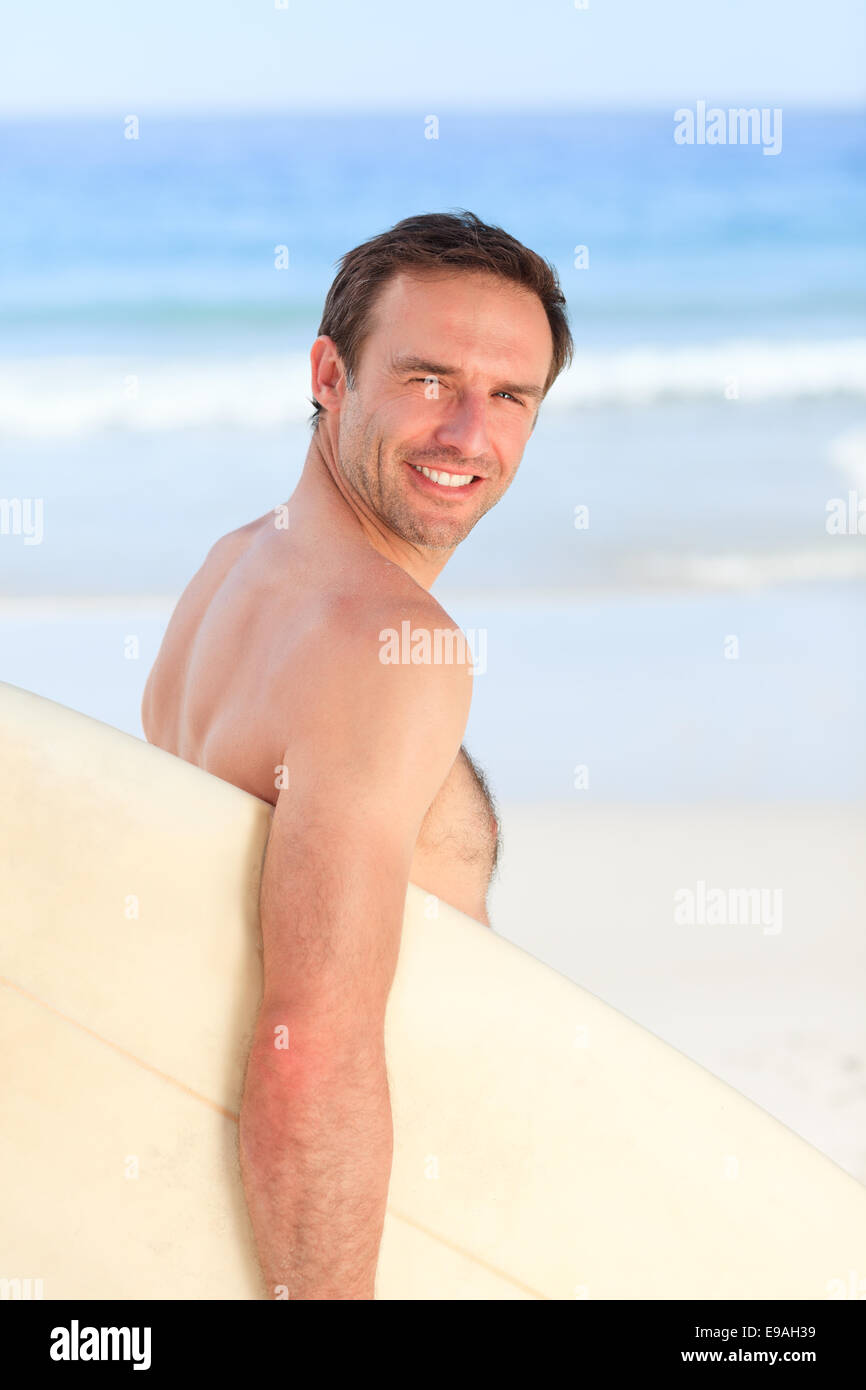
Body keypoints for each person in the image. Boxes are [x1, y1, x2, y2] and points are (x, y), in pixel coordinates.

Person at [141, 209, 572, 1299]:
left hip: (249, 1218)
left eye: (510, 396)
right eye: (427, 379)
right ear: (330, 372)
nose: (468, 434)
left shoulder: (231, 569)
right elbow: (310, 1044)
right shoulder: (392, 650)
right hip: (374, 1239)